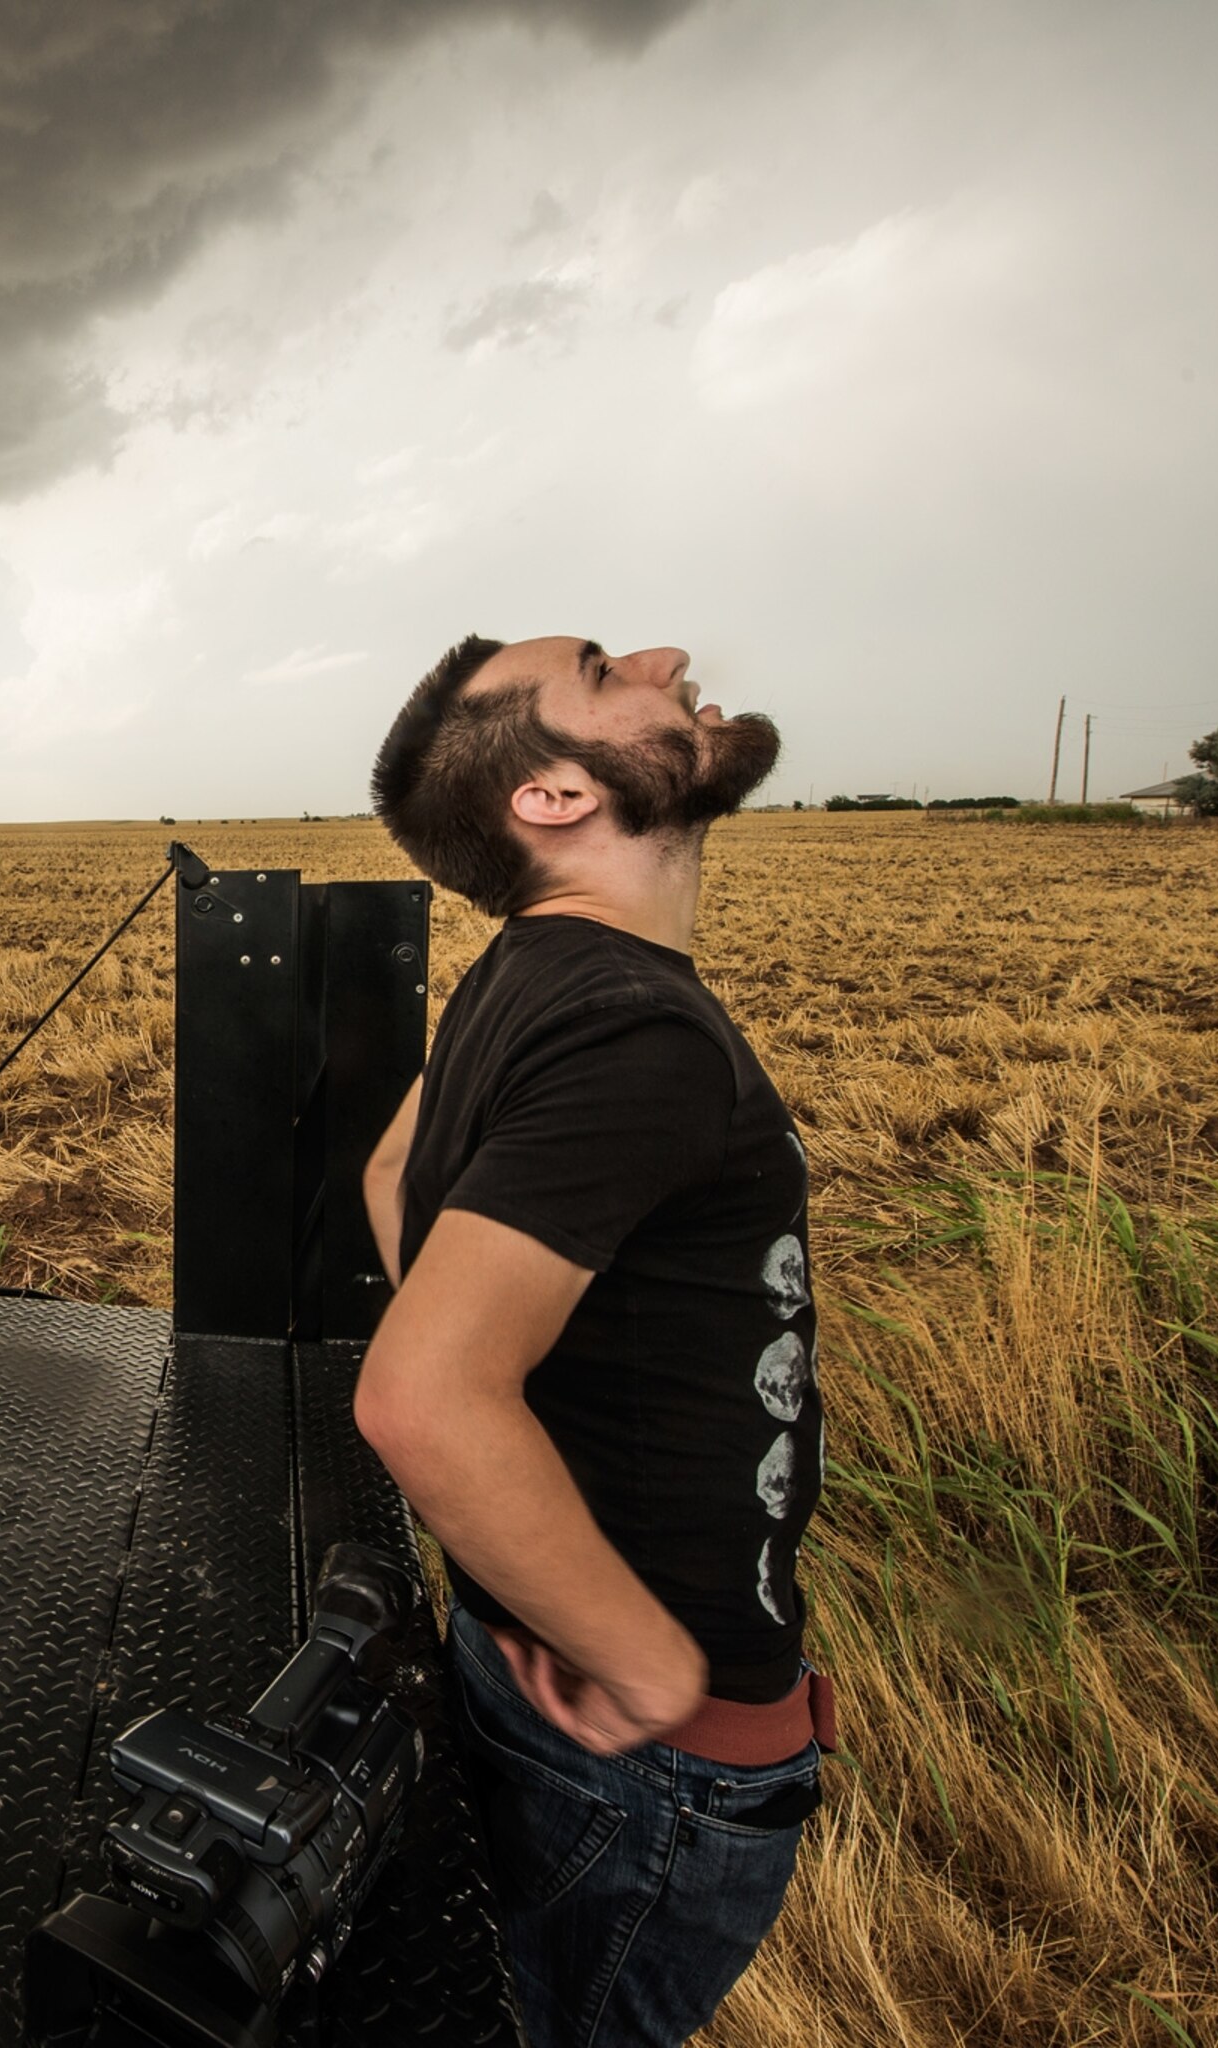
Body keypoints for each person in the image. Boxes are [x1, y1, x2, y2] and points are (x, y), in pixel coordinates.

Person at [354, 633, 830, 2048]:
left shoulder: (525, 973)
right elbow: (424, 1403)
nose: (669, 656)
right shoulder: (637, 1029)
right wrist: (651, 1666)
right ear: (555, 795)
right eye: (606, 664)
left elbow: (392, 1175)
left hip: (531, 1663)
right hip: (647, 1757)